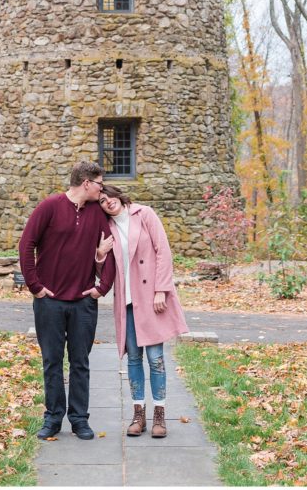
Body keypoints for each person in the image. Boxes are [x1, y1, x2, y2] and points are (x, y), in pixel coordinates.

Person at [19, 160, 116, 441]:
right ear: (86, 183)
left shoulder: (97, 213)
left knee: (80, 362)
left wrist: (102, 289)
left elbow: (109, 250)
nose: (102, 189)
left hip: (83, 302)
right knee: (52, 361)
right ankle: (52, 419)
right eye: (99, 184)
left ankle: (79, 420)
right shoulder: (49, 207)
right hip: (49, 302)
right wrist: (35, 287)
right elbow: (27, 245)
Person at [96, 184, 188, 439]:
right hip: (127, 301)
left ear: (118, 194)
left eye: (109, 196)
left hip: (151, 298)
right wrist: (100, 255)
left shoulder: (144, 214)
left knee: (156, 359)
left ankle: (160, 415)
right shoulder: (107, 229)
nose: (107, 202)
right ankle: (139, 415)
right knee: (134, 359)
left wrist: (161, 290)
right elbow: (104, 272)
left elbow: (163, 252)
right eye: (102, 202)